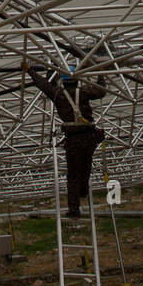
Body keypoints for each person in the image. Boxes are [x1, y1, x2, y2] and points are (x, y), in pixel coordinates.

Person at [28, 63, 107, 218]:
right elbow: (101, 90)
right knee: (86, 164)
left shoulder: (58, 94)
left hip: (73, 140)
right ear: (77, 79)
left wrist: (30, 71)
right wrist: (100, 72)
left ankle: (74, 209)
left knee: (73, 174)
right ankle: (83, 189)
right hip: (89, 137)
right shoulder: (83, 92)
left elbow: (44, 85)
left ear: (63, 81)